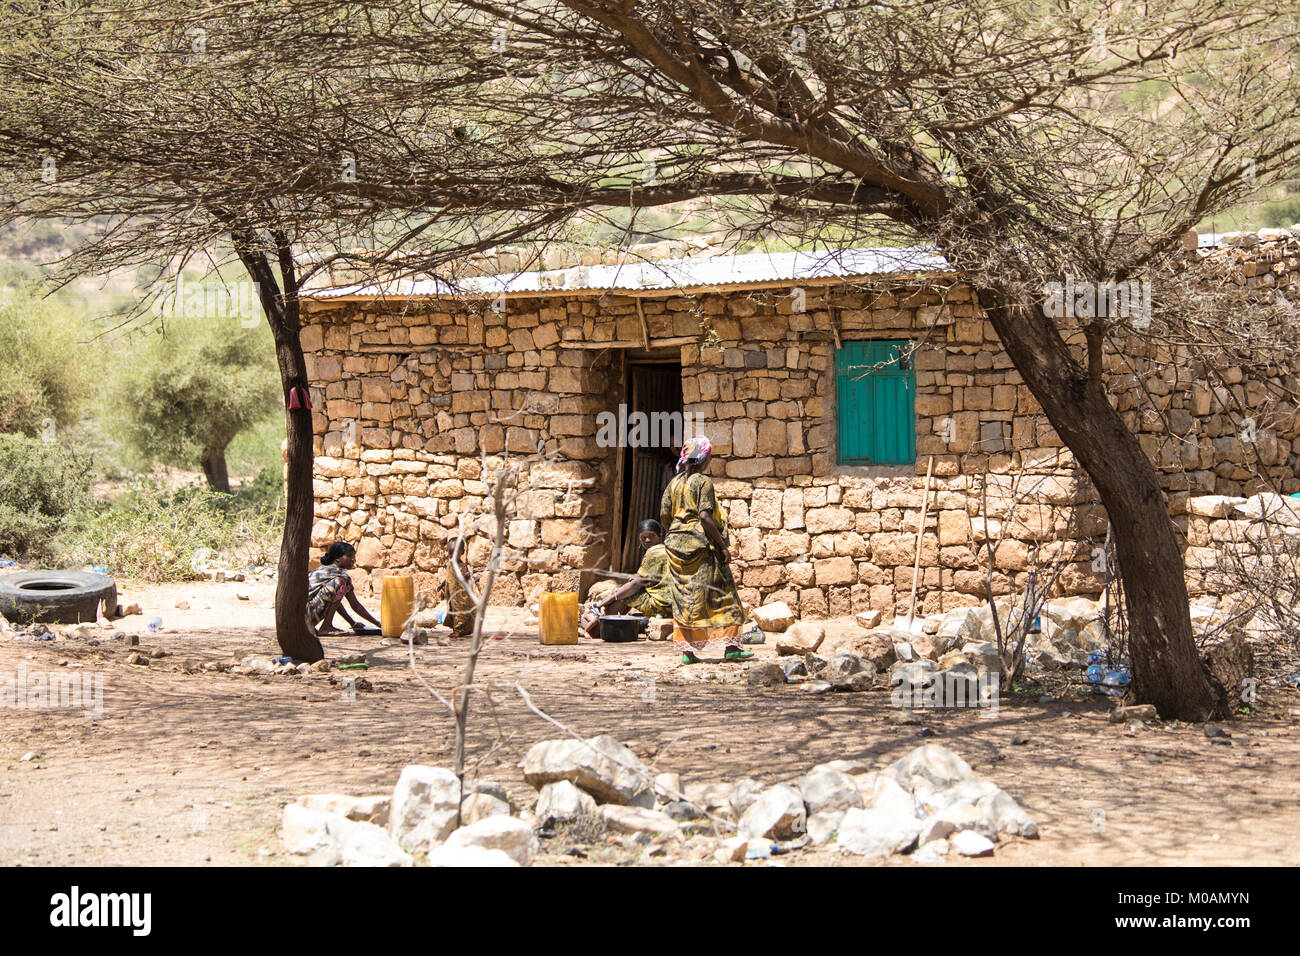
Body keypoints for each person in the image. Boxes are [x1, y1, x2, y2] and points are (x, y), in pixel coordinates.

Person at [659, 435, 752, 664]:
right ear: (704, 457)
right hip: (701, 547)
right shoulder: (702, 482)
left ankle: (687, 652)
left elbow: (664, 515)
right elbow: (705, 516)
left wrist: (677, 533)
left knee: (685, 598)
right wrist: (723, 546)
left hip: (675, 547)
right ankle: (732, 648)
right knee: (724, 592)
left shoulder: (674, 483)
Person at [581, 519, 672, 639]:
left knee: (625, 594)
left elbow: (636, 585)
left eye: (651, 536)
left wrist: (606, 600)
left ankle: (597, 626)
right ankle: (598, 618)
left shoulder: (653, 552)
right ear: (639, 538)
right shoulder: (667, 550)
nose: (647, 540)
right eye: (643, 537)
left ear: (660, 536)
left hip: (661, 604)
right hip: (671, 604)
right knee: (623, 591)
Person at [306, 541, 382, 636]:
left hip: (302, 616)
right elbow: (355, 605)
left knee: (337, 588)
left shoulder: (324, 569)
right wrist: (378, 623)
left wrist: (352, 623)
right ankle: (326, 627)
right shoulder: (341, 576)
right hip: (307, 613)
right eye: (349, 556)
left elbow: (334, 602)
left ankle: (324, 626)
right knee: (340, 583)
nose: (353, 559)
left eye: (354, 556)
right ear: (337, 558)